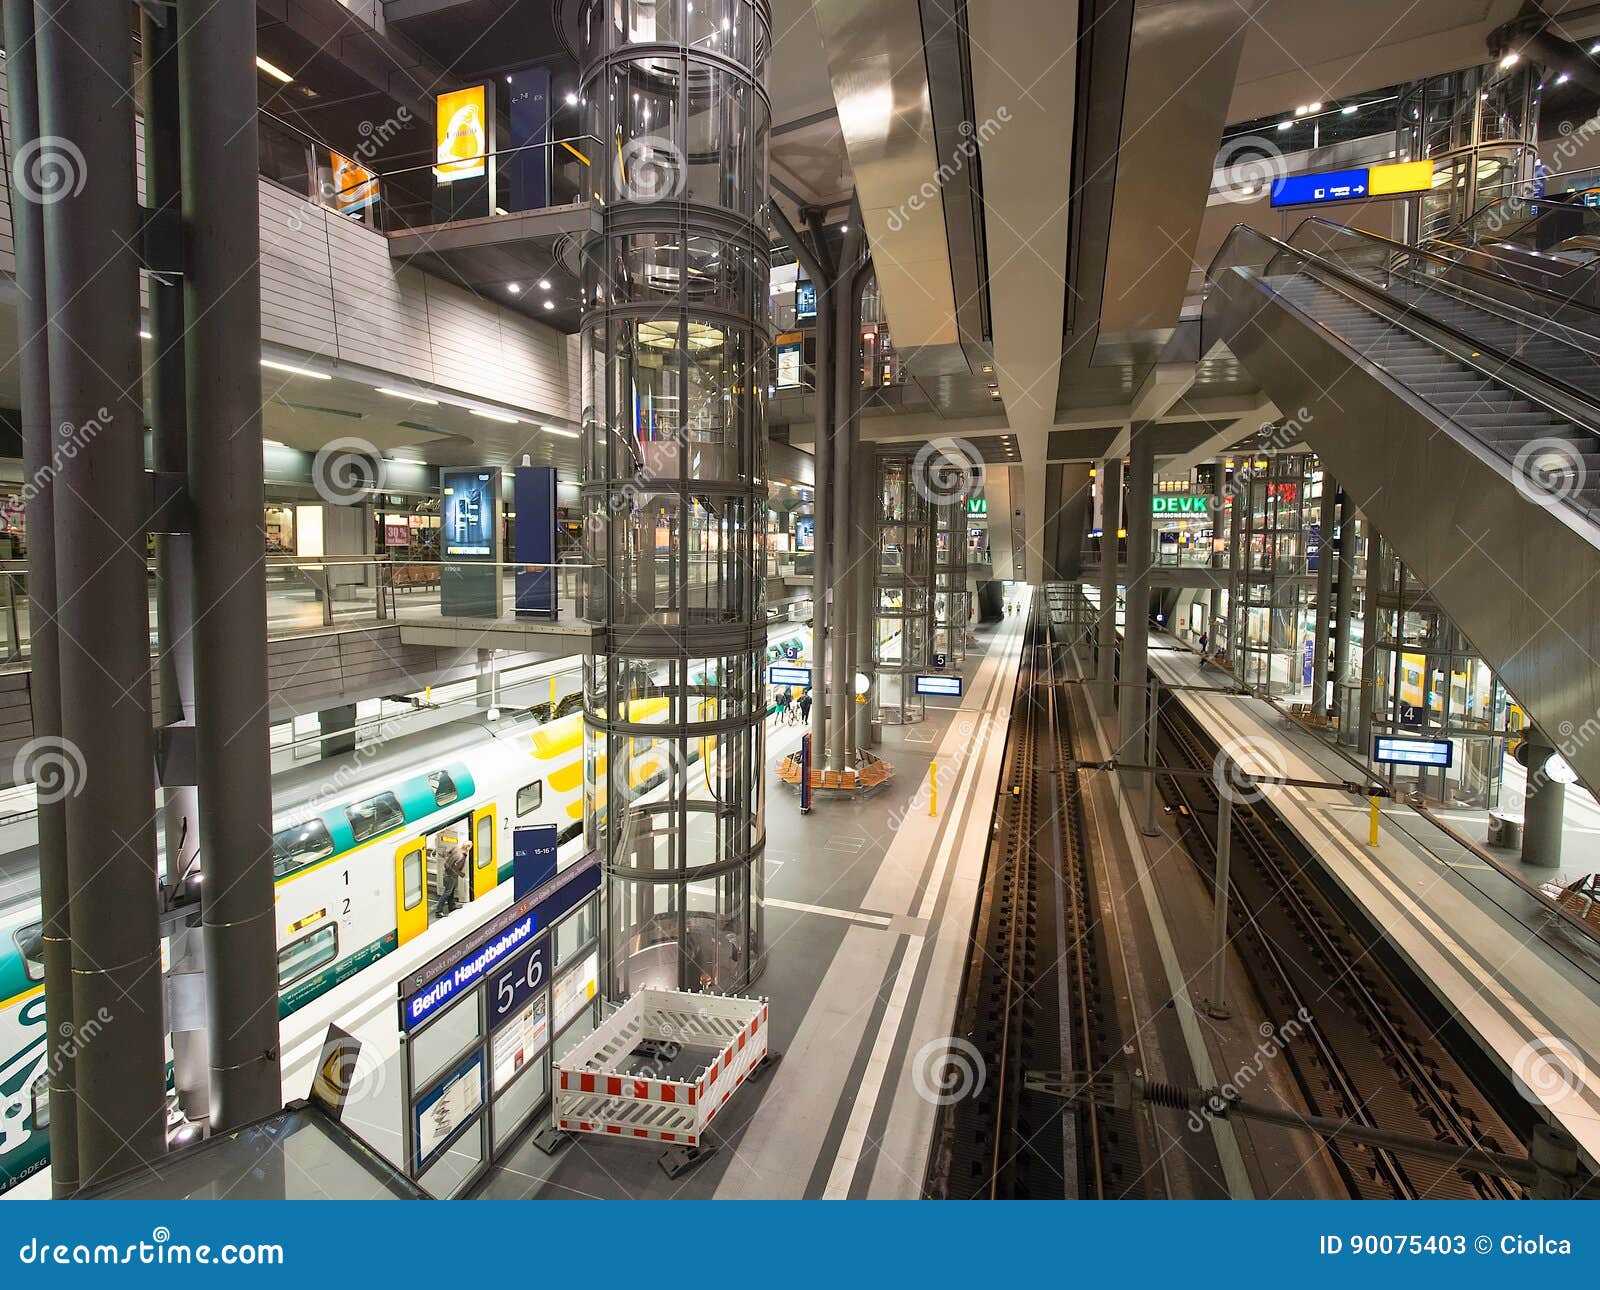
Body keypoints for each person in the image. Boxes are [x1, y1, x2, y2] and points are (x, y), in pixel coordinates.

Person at [435, 839, 469, 919]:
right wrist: (462, 874)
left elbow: (448, 853)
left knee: (451, 891)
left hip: (446, 874)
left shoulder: (456, 848)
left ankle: (452, 906)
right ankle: (438, 911)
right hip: (450, 876)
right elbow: (455, 869)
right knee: (447, 893)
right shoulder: (461, 857)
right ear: (467, 848)